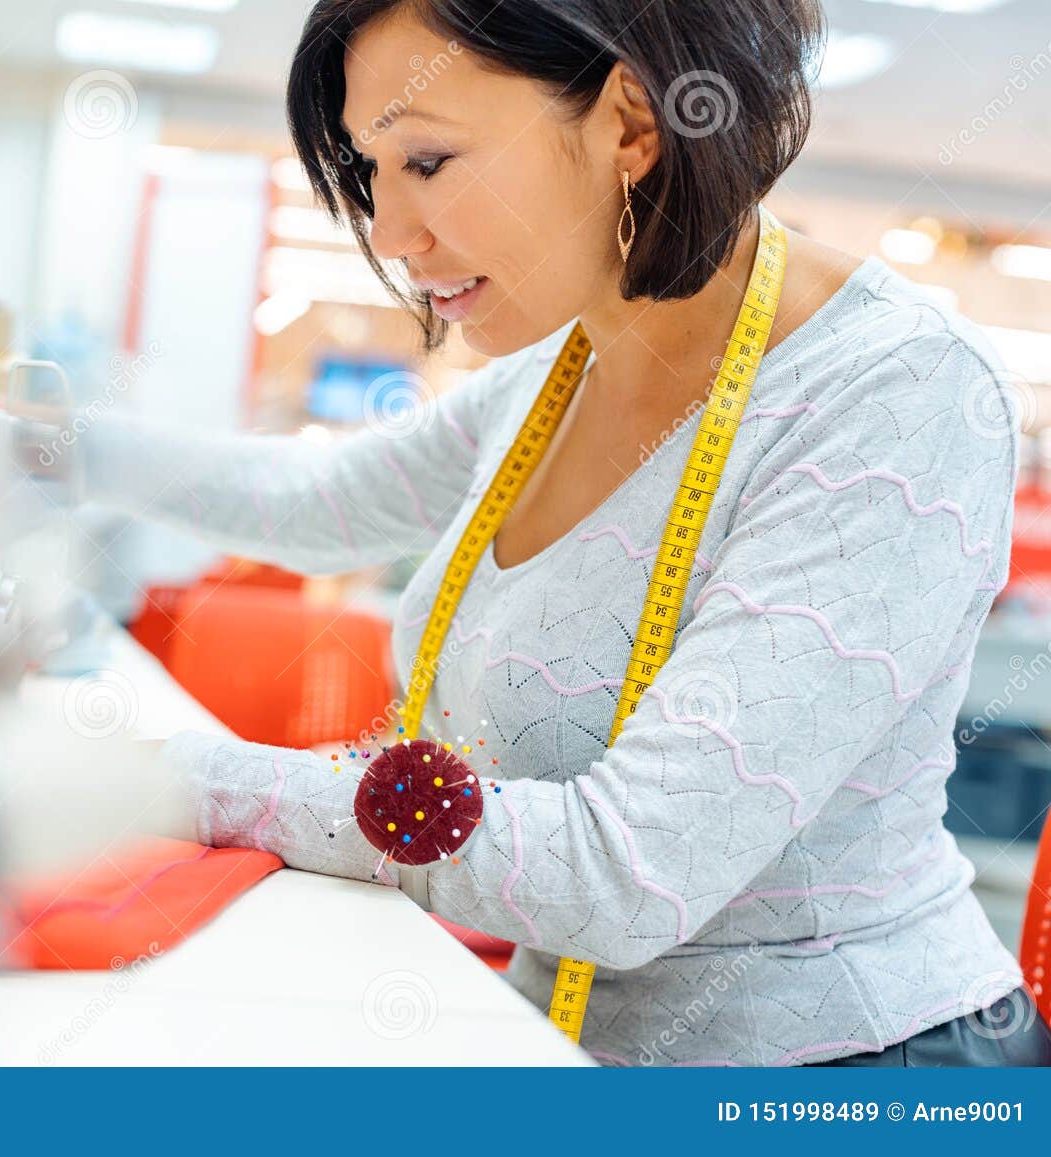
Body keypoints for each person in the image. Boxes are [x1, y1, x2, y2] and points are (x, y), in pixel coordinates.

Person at [77, 0, 1051, 1066]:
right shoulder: (565, 360)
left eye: (430, 161)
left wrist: (177, 777)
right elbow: (318, 502)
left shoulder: (898, 392)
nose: (391, 236)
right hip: (561, 1034)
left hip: (859, 1074)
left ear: (632, 123)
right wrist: (43, 450)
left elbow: (622, 871)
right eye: (370, 174)